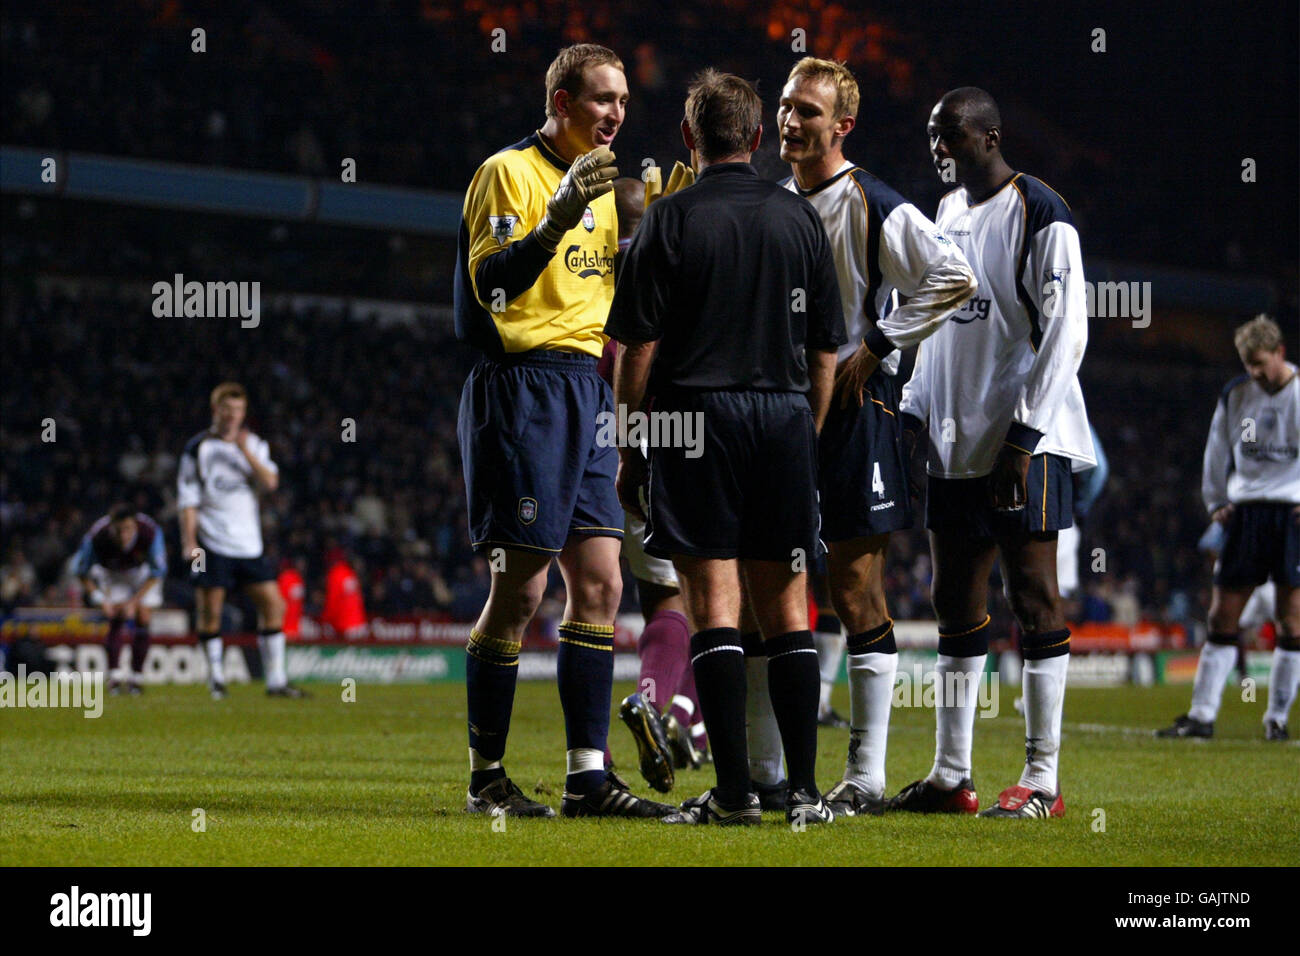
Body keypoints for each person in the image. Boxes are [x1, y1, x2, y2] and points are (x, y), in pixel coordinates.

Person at [607, 69, 847, 826]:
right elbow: (825, 352)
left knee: (712, 604)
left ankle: (737, 795)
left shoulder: (668, 222)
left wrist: (630, 443)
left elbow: (637, 351)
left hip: (696, 419)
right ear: (754, 138)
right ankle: (805, 794)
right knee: (787, 610)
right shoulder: (800, 219)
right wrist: (802, 432)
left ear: (689, 139)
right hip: (780, 418)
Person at [453, 43, 672, 819]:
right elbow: (495, 286)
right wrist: (558, 217)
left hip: (585, 385)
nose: (616, 114)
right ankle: (487, 775)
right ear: (560, 102)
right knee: (520, 589)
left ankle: (587, 778)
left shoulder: (610, 190)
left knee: (604, 582)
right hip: (522, 387)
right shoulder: (505, 173)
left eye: (622, 103)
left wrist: (660, 232)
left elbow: (607, 296)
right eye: (602, 100)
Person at [775, 57, 978, 816]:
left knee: (855, 587)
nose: (792, 121)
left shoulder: (872, 201)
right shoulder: (777, 199)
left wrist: (881, 345)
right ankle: (772, 768)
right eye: (787, 106)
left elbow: (954, 275)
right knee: (782, 585)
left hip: (859, 413)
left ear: (842, 126)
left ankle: (863, 775)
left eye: (808, 112)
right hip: (784, 411)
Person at [894, 87, 1096, 819]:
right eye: (929, 134)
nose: (937, 147)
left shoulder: (1042, 211)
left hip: (1023, 442)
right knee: (955, 603)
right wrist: (913, 410)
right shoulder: (947, 214)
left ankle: (1044, 780)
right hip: (954, 442)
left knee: (1034, 596)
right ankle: (953, 776)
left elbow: (1068, 331)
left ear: (989, 136)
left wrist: (1024, 434)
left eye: (948, 134)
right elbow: (942, 326)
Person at [601, 176, 708, 793]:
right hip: (663, 441)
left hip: (592, 441)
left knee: (594, 599)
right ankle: (669, 707)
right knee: (692, 601)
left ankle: (596, 753)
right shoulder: (671, 264)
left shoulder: (584, 267)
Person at [1158, 315, 1299, 740]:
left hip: (1292, 512)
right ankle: (1201, 716)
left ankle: (1275, 718)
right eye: (1246, 364)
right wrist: (1216, 500)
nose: (1253, 372)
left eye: (1259, 363)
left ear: (1279, 353)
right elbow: (1216, 449)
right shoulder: (1236, 395)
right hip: (1246, 512)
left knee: (1292, 620)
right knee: (1222, 614)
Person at [178, 382, 305, 699]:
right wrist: (189, 541)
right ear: (215, 410)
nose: (233, 416)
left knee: (274, 605)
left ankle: (276, 681)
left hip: (249, 544)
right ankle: (217, 680)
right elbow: (188, 500)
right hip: (211, 541)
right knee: (210, 612)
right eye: (227, 409)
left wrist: (243, 450)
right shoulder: (197, 448)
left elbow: (271, 482)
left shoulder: (255, 444)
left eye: (238, 411)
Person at [73, 504, 167, 694]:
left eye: (128, 529)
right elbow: (81, 572)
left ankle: (136, 679)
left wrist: (134, 602)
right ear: (111, 528)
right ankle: (114, 678)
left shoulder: (150, 532)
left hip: (143, 575)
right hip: (112, 573)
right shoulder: (97, 536)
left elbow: (157, 572)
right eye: (119, 530)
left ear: (136, 527)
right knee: (116, 616)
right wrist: (100, 598)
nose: (124, 535)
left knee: (143, 616)